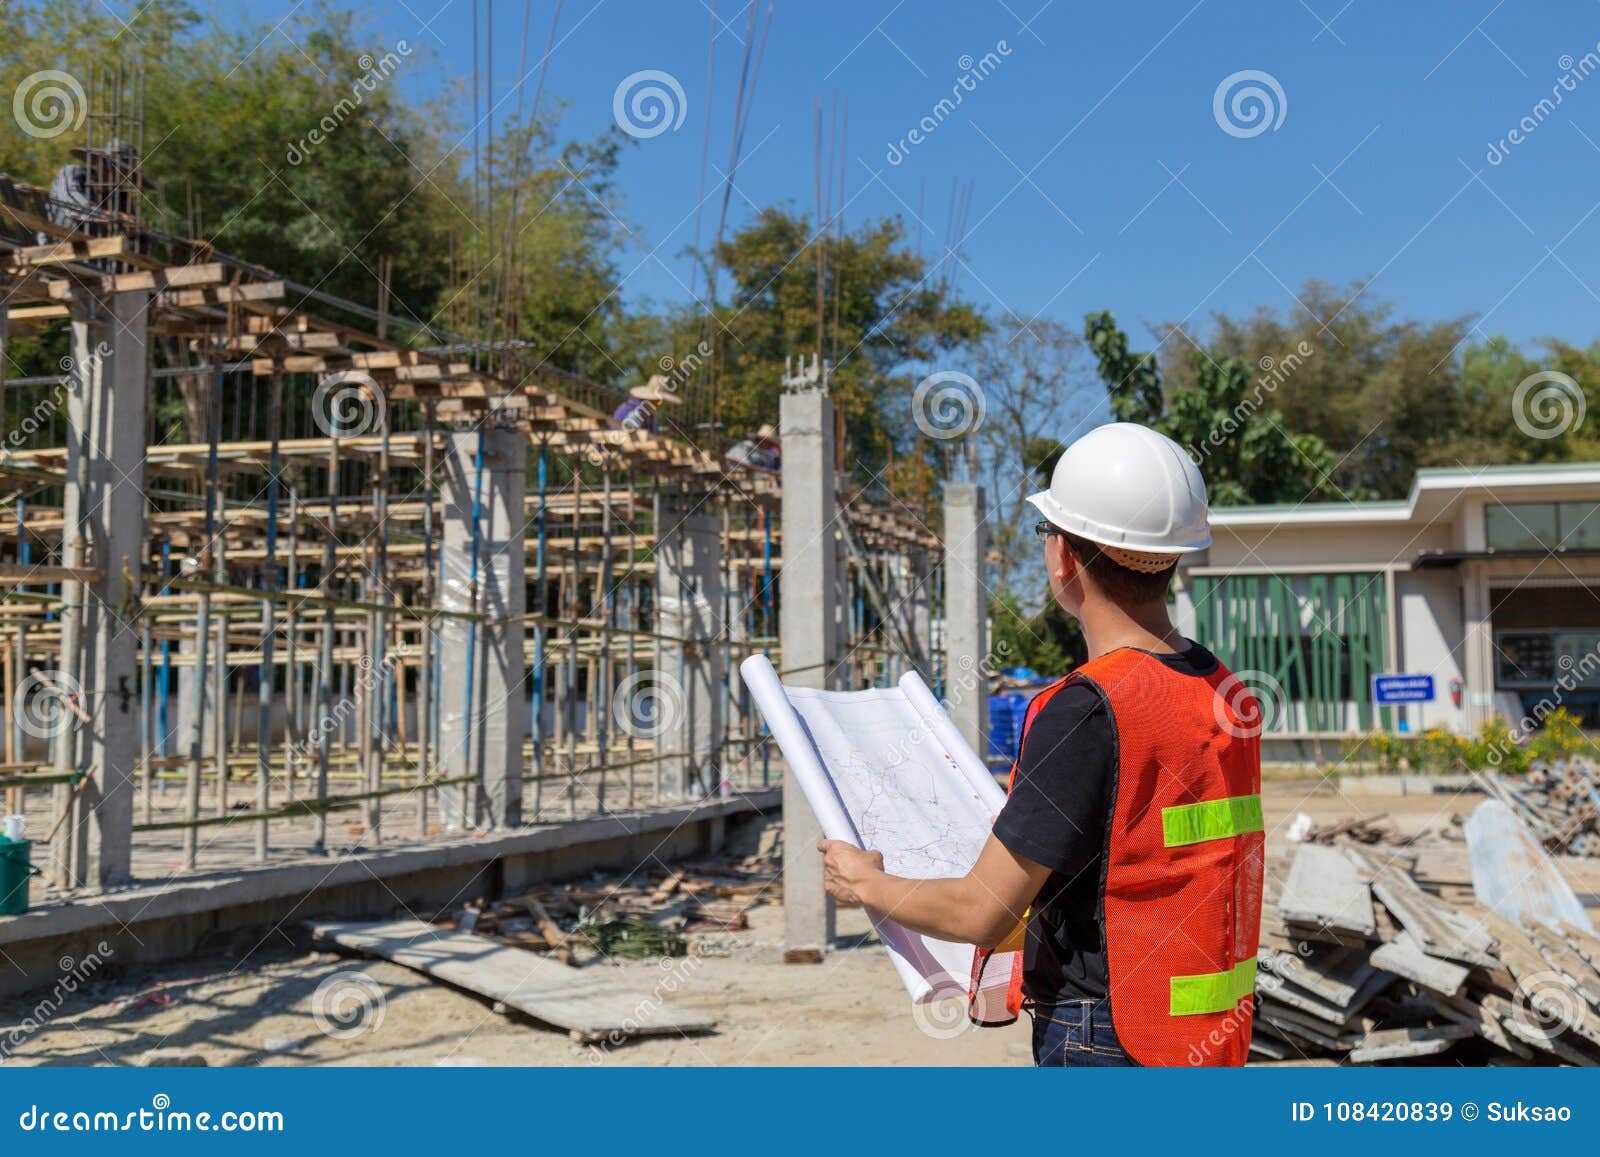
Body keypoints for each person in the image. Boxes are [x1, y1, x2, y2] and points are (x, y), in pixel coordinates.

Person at [818, 422, 1263, 1067]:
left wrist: (867, 883)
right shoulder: (1224, 690)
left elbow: (981, 912)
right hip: (1203, 1032)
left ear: (1064, 558)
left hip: (1110, 1035)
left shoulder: (1087, 709)